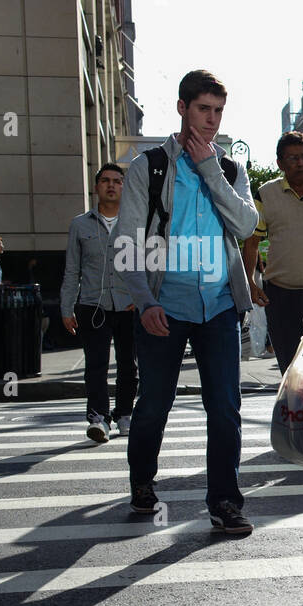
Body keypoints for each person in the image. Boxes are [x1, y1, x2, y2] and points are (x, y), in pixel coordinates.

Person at [115, 69, 260, 534]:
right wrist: (144, 301)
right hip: (165, 305)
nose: (212, 120)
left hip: (218, 305)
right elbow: (127, 242)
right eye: (203, 109)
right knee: (154, 403)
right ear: (182, 108)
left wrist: (210, 171)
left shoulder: (231, 169)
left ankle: (225, 501)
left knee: (225, 407)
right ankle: (142, 482)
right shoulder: (149, 167)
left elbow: (245, 225)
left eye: (219, 111)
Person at [240, 131, 303, 376]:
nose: (301, 163)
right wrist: (249, 282)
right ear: (280, 163)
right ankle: (294, 412)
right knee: (290, 368)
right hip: (279, 295)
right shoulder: (266, 194)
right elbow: (252, 242)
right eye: (293, 158)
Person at [62, 164, 137, 441]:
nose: (111, 185)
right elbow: (72, 269)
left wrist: (143, 300)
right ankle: (98, 418)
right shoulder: (80, 224)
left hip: (128, 305)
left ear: (124, 187)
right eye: (105, 180)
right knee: (96, 365)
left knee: (129, 364)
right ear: (96, 187)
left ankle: (125, 414)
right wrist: (66, 307)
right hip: (92, 305)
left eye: (117, 181)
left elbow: (149, 264)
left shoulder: (135, 222)